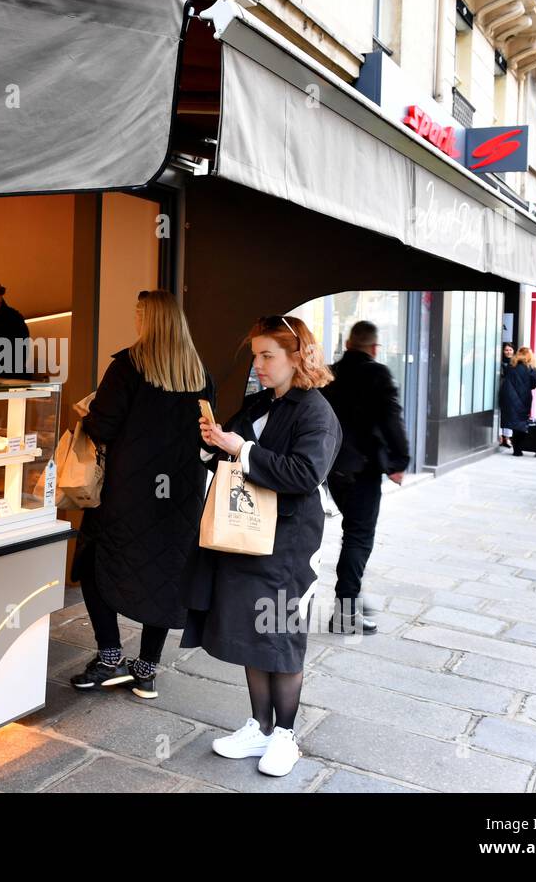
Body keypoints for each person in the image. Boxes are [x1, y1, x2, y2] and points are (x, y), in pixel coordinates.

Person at [183, 314, 341, 777]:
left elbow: (304, 473)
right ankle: (261, 726)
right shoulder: (257, 403)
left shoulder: (317, 411)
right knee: (255, 634)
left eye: (267, 355)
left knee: (282, 634)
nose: (259, 364)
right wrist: (212, 441)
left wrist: (241, 450)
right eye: (255, 355)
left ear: (297, 357)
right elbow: (227, 449)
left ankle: (286, 737)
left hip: (289, 541)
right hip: (247, 534)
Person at [69, 290, 215, 699]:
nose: (135, 320)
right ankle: (146, 669)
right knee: (167, 575)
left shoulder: (128, 366)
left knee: (96, 564)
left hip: (126, 492)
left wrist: (89, 413)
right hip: (181, 496)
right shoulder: (199, 373)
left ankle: (110, 655)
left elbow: (103, 428)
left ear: (148, 320)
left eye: (138, 314)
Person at [320, 321, 410, 636]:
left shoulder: (329, 373)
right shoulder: (378, 374)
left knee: (353, 534)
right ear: (373, 348)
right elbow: (391, 419)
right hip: (363, 470)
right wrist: (400, 460)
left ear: (348, 344)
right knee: (358, 537)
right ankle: (346, 611)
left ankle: (353, 599)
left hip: (333, 469)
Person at [501, 346, 536, 456]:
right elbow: (535, 383)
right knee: (522, 422)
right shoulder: (531, 367)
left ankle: (516, 448)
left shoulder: (511, 365)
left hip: (509, 397)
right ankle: (518, 448)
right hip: (523, 397)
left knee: (514, 421)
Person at [498, 343, 516, 448]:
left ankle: (508, 437)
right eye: (506, 350)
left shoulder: (516, 363)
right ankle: (500, 436)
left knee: (509, 414)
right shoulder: (499, 363)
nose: (508, 352)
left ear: (513, 351)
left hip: (511, 391)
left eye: (510, 350)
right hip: (501, 390)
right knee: (500, 413)